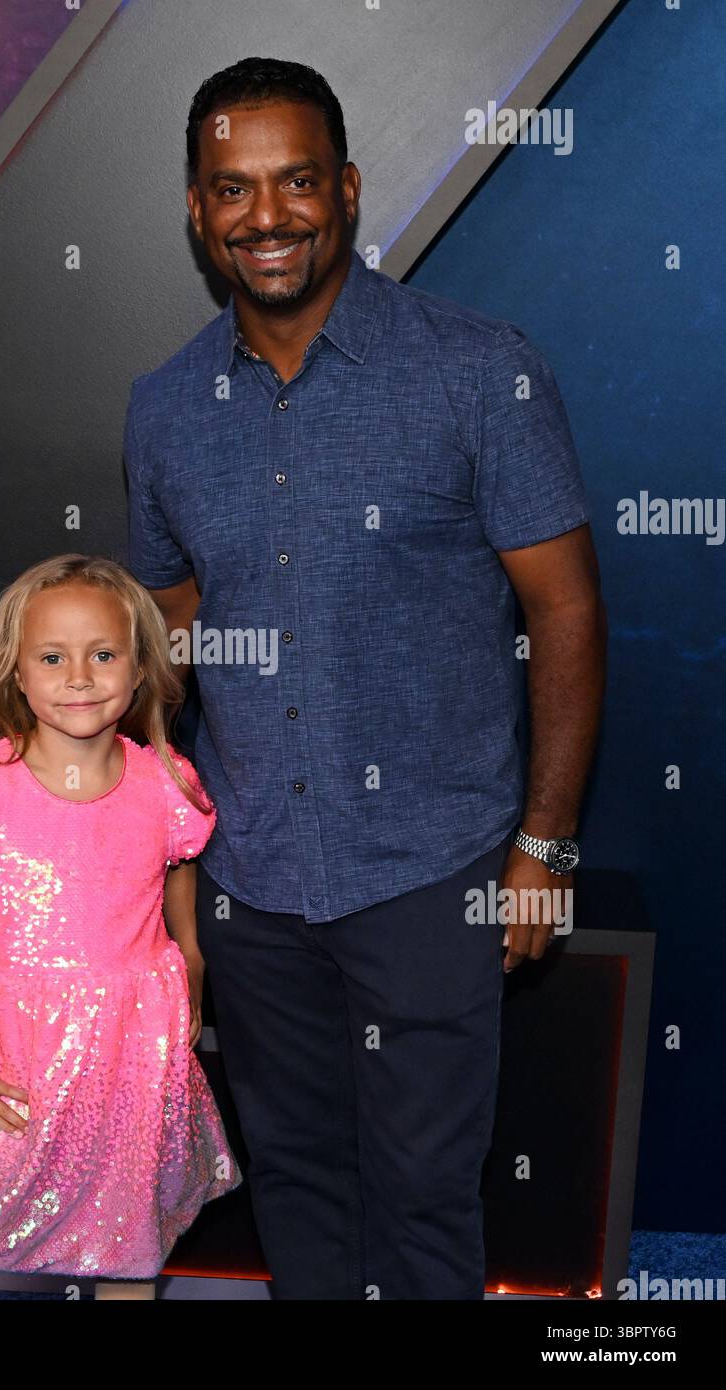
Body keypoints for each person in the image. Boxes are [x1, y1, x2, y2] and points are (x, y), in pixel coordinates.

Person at [123, 58, 607, 1299]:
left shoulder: (477, 370)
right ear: (195, 208)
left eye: (294, 181)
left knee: (425, 1197)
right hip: (252, 879)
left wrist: (542, 847)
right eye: (231, 188)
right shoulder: (165, 408)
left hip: (428, 870)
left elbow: (561, 612)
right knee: (294, 1180)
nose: (266, 214)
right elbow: (167, 624)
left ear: (344, 188)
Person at [0, 554, 241, 1301]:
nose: (79, 676)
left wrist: (190, 955)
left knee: (125, 1263)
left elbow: (179, 859)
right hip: (15, 1075)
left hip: (134, 1069)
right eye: (52, 657)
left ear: (139, 669)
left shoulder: (165, 777)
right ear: (19, 674)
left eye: (103, 655)